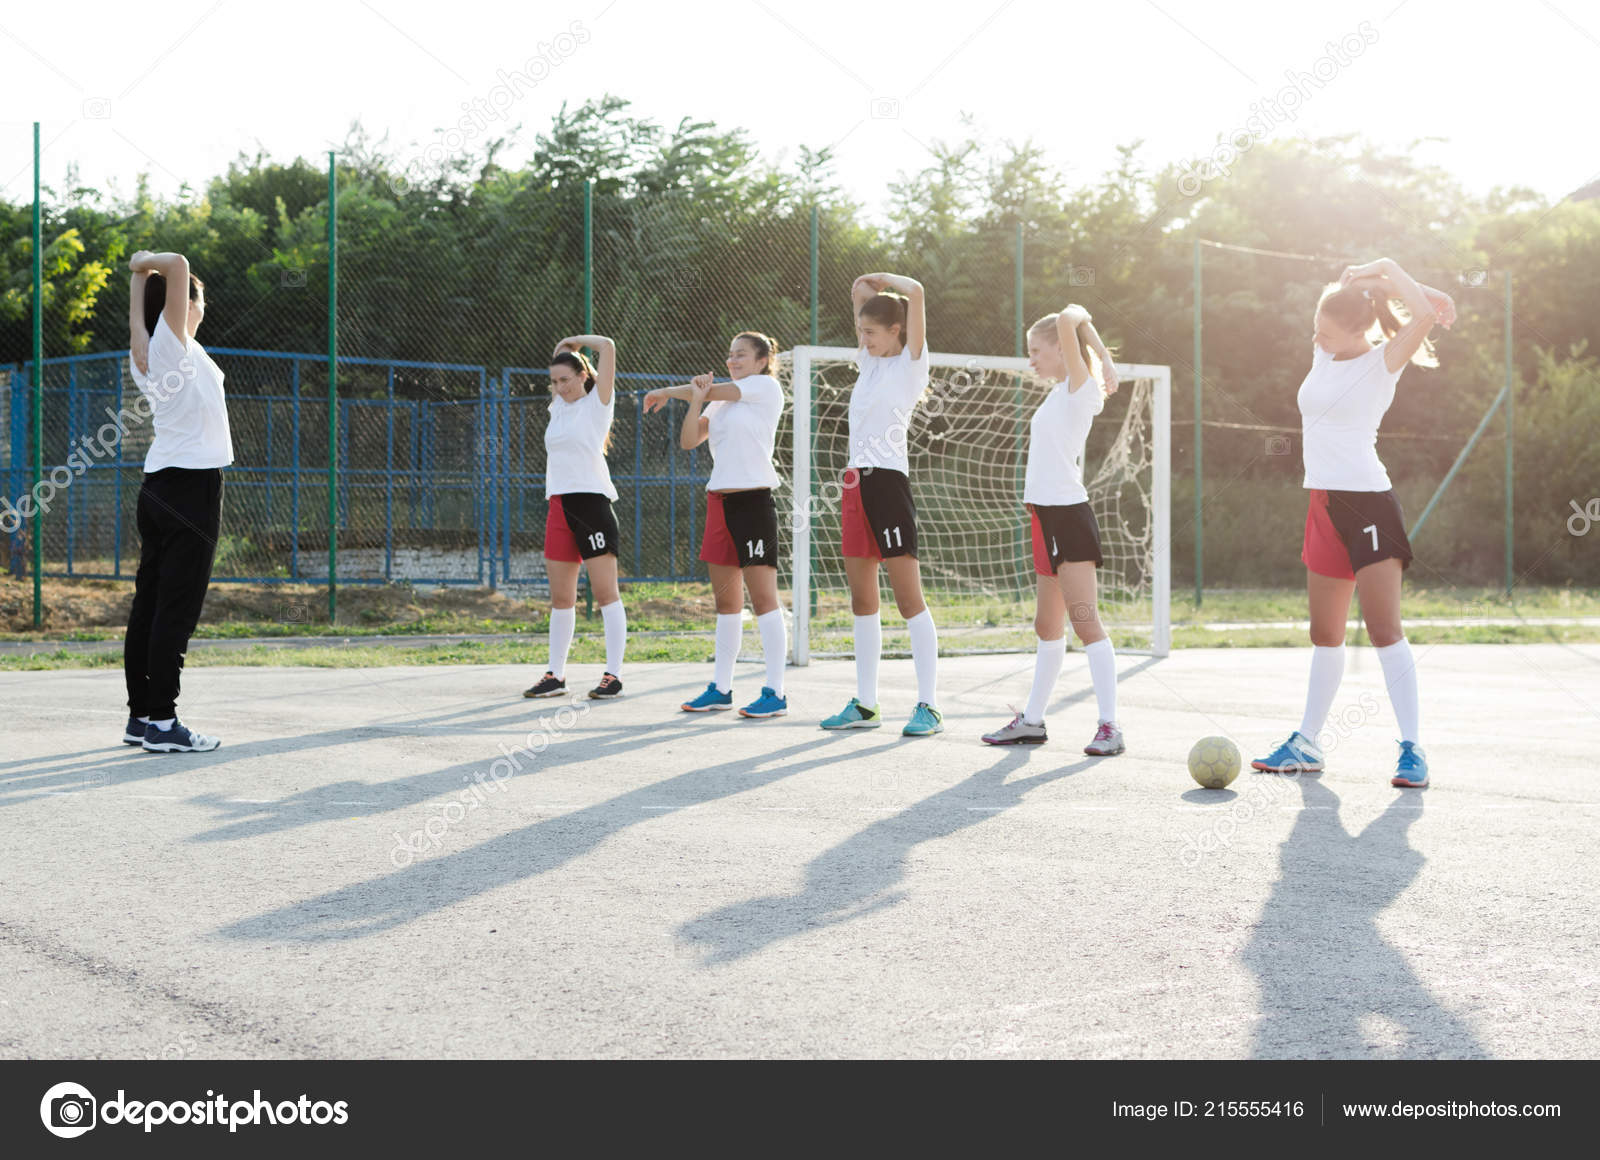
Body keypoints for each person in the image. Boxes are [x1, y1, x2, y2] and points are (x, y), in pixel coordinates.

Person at [1253, 257, 1456, 788]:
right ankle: (1307, 743)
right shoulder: (1325, 352)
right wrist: (1371, 281)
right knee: (1325, 633)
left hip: (1369, 506)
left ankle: (1413, 750)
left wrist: (1389, 266)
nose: (1315, 336)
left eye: (1325, 329)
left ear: (1356, 329)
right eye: (1316, 328)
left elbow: (1427, 311)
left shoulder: (1383, 361)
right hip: (1322, 504)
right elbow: (1353, 286)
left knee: (1385, 631)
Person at [980, 305, 1127, 755]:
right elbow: (1070, 324)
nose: (1031, 361)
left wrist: (1103, 353)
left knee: (1085, 622)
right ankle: (1032, 722)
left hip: (1068, 517)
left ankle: (1110, 727)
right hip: (1044, 517)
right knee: (1047, 625)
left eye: (1036, 351)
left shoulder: (1082, 390)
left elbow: (1071, 316)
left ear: (1064, 352)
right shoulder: (1059, 392)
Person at [819, 272, 943, 737]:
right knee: (861, 599)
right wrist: (863, 288)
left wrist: (889, 281)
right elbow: (859, 297)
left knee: (908, 600)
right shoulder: (868, 364)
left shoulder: (911, 363)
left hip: (889, 484)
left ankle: (928, 705)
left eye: (871, 332)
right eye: (861, 332)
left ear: (896, 331)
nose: (863, 339)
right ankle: (866, 704)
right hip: (854, 483)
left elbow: (917, 293)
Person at [643, 332, 788, 718]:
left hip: (753, 503)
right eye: (729, 355)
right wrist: (693, 399)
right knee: (727, 604)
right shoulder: (720, 401)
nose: (733, 361)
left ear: (761, 361)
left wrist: (667, 390)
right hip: (719, 503)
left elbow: (711, 390)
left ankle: (776, 692)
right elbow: (690, 440)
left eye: (741, 355)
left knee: (763, 600)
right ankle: (721, 688)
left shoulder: (764, 388)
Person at [121, 250, 232, 753]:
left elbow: (138, 316)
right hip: (190, 490)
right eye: (198, 297)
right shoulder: (170, 345)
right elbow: (181, 264)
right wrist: (149, 262)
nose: (202, 304)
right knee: (175, 608)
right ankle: (164, 723)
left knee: (150, 603)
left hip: (160, 486)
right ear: (183, 302)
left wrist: (138, 275)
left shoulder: (148, 346)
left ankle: (141, 715)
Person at [523, 335, 627, 701]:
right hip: (559, 506)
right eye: (554, 382)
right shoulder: (559, 407)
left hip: (592, 506)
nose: (559, 387)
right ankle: (556, 675)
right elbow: (561, 363)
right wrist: (562, 352)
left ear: (584, 376)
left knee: (605, 595)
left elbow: (609, 348)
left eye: (565, 380)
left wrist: (577, 341)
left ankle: (612, 675)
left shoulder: (598, 404)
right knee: (561, 598)